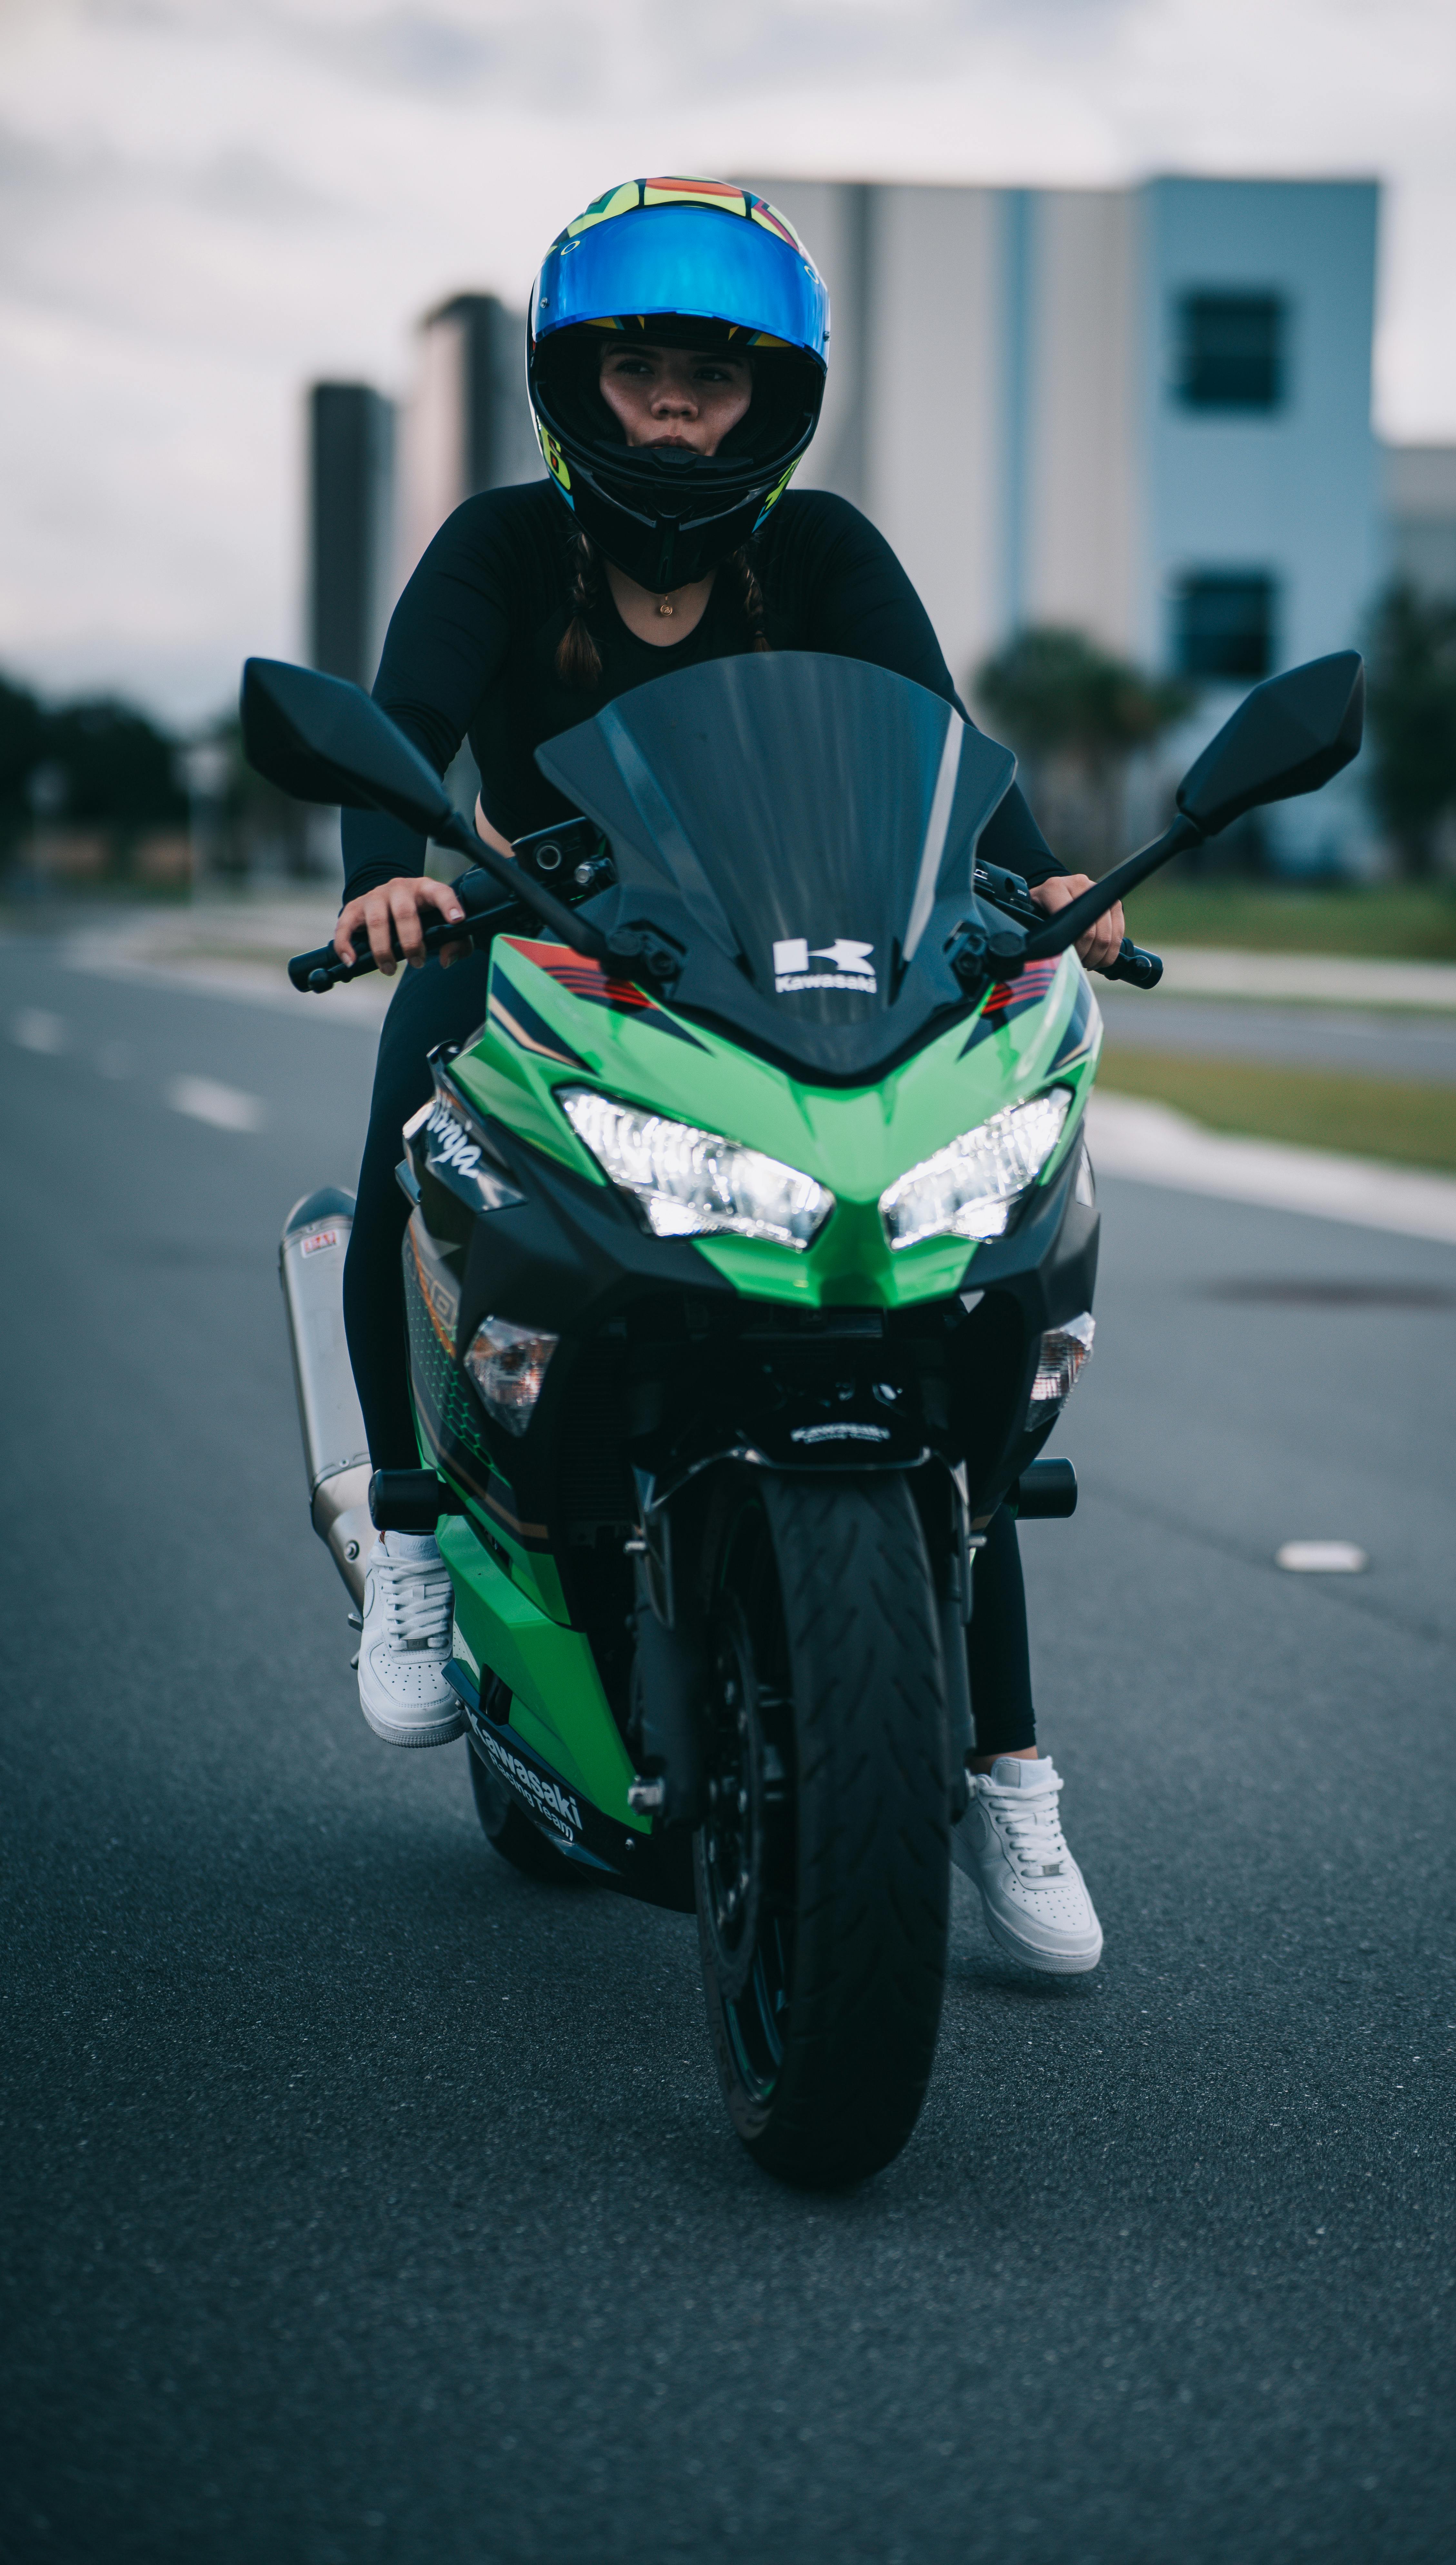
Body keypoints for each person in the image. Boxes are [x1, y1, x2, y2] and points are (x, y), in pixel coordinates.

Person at [336, 177, 1121, 1976]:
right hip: (545, 948)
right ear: (575, 382)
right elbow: (399, 728)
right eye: (640, 369)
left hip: (795, 975)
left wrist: (1046, 876)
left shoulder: (825, 550)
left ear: (776, 395)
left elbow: (939, 744)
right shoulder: (499, 547)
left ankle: (1004, 1767)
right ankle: (409, 1535)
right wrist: (394, 872)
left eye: (715, 371)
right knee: (405, 1142)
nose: (677, 404)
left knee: (931, 1315)